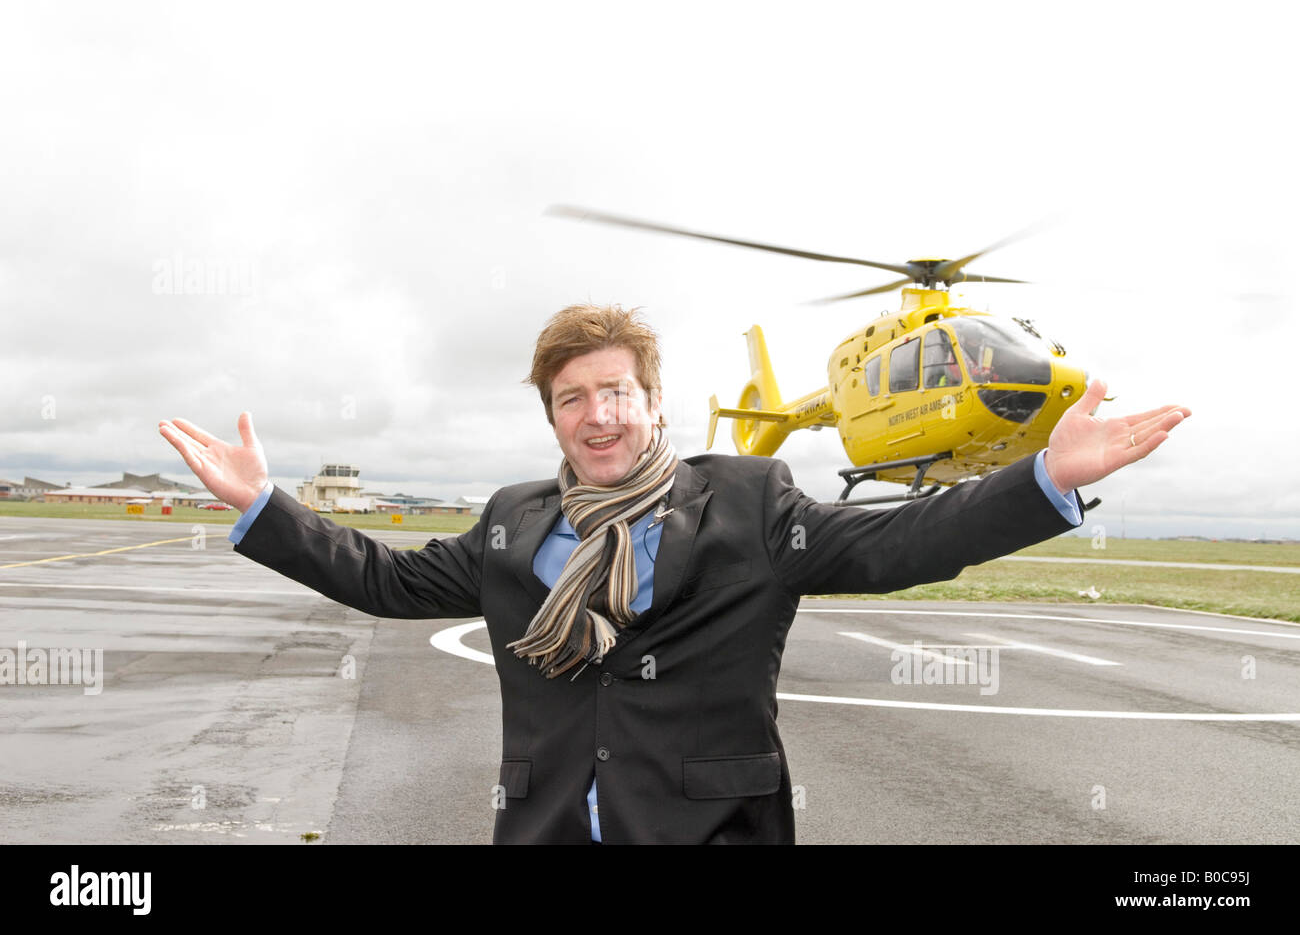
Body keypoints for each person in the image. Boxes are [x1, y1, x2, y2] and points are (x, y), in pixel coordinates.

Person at [158, 304, 1190, 844]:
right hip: (550, 827)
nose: (597, 416)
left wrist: (1042, 477)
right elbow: (382, 578)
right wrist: (264, 507)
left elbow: (894, 546)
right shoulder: (515, 523)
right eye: (572, 398)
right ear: (552, 417)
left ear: (653, 403)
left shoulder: (750, 502)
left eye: (616, 392)